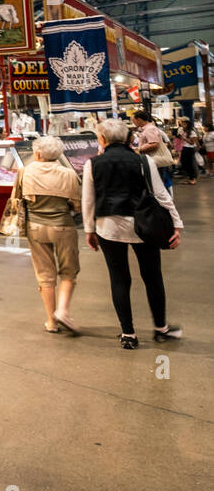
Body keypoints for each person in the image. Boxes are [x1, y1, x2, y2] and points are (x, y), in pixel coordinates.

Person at [83, 118, 183, 349]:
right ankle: (161, 329)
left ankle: (128, 334)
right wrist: (176, 224)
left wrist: (89, 230)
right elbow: (161, 195)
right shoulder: (143, 161)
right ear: (128, 138)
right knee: (153, 277)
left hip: (109, 227)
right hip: (143, 226)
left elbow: (88, 200)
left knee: (119, 279)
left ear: (102, 139)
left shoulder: (93, 164)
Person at [15, 137, 82, 334]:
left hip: (35, 227)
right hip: (63, 227)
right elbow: (77, 205)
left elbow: (17, 200)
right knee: (69, 272)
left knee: (45, 276)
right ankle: (62, 311)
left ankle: (51, 322)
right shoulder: (69, 174)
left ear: (37, 154)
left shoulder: (25, 171)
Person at [130, 110, 173, 191]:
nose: (133, 122)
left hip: (156, 161)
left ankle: (161, 203)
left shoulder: (150, 129)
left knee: (158, 187)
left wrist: (139, 150)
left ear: (139, 119)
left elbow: (154, 144)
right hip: (154, 162)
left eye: (133, 120)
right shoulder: (147, 129)